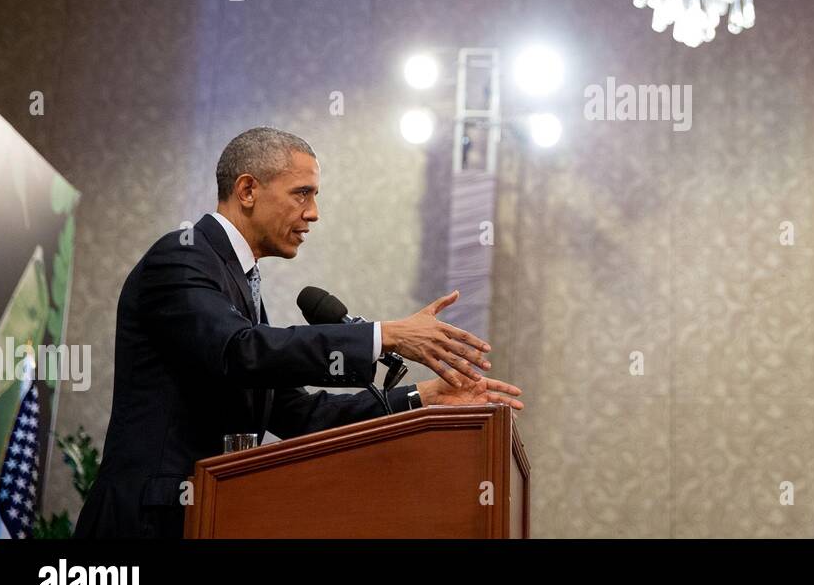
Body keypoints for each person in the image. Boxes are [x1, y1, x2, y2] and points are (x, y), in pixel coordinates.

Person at [74, 127, 522, 538]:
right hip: (145, 521)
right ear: (248, 189)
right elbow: (238, 351)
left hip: (205, 517)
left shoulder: (243, 286)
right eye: (302, 194)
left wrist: (422, 398)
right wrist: (382, 335)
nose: (314, 213)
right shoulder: (181, 257)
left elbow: (299, 415)